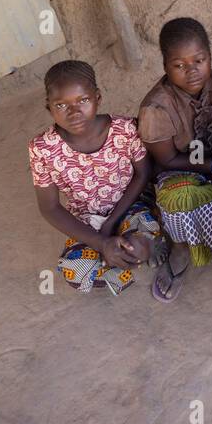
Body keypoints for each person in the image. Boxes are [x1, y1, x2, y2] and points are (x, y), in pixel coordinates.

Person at [28, 60, 163, 295]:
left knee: (138, 244)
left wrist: (111, 224)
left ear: (97, 98)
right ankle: (121, 258)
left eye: (83, 100)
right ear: (49, 108)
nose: (74, 112)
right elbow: (49, 208)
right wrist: (99, 242)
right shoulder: (42, 149)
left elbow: (143, 175)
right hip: (86, 220)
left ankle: (137, 251)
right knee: (75, 272)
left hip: (131, 206)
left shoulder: (125, 130)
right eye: (61, 105)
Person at [138, 18, 212, 302]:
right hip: (179, 172)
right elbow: (167, 160)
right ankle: (179, 246)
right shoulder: (156, 108)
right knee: (182, 195)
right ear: (165, 66)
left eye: (199, 60)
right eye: (179, 65)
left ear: (210, 56)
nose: (192, 71)